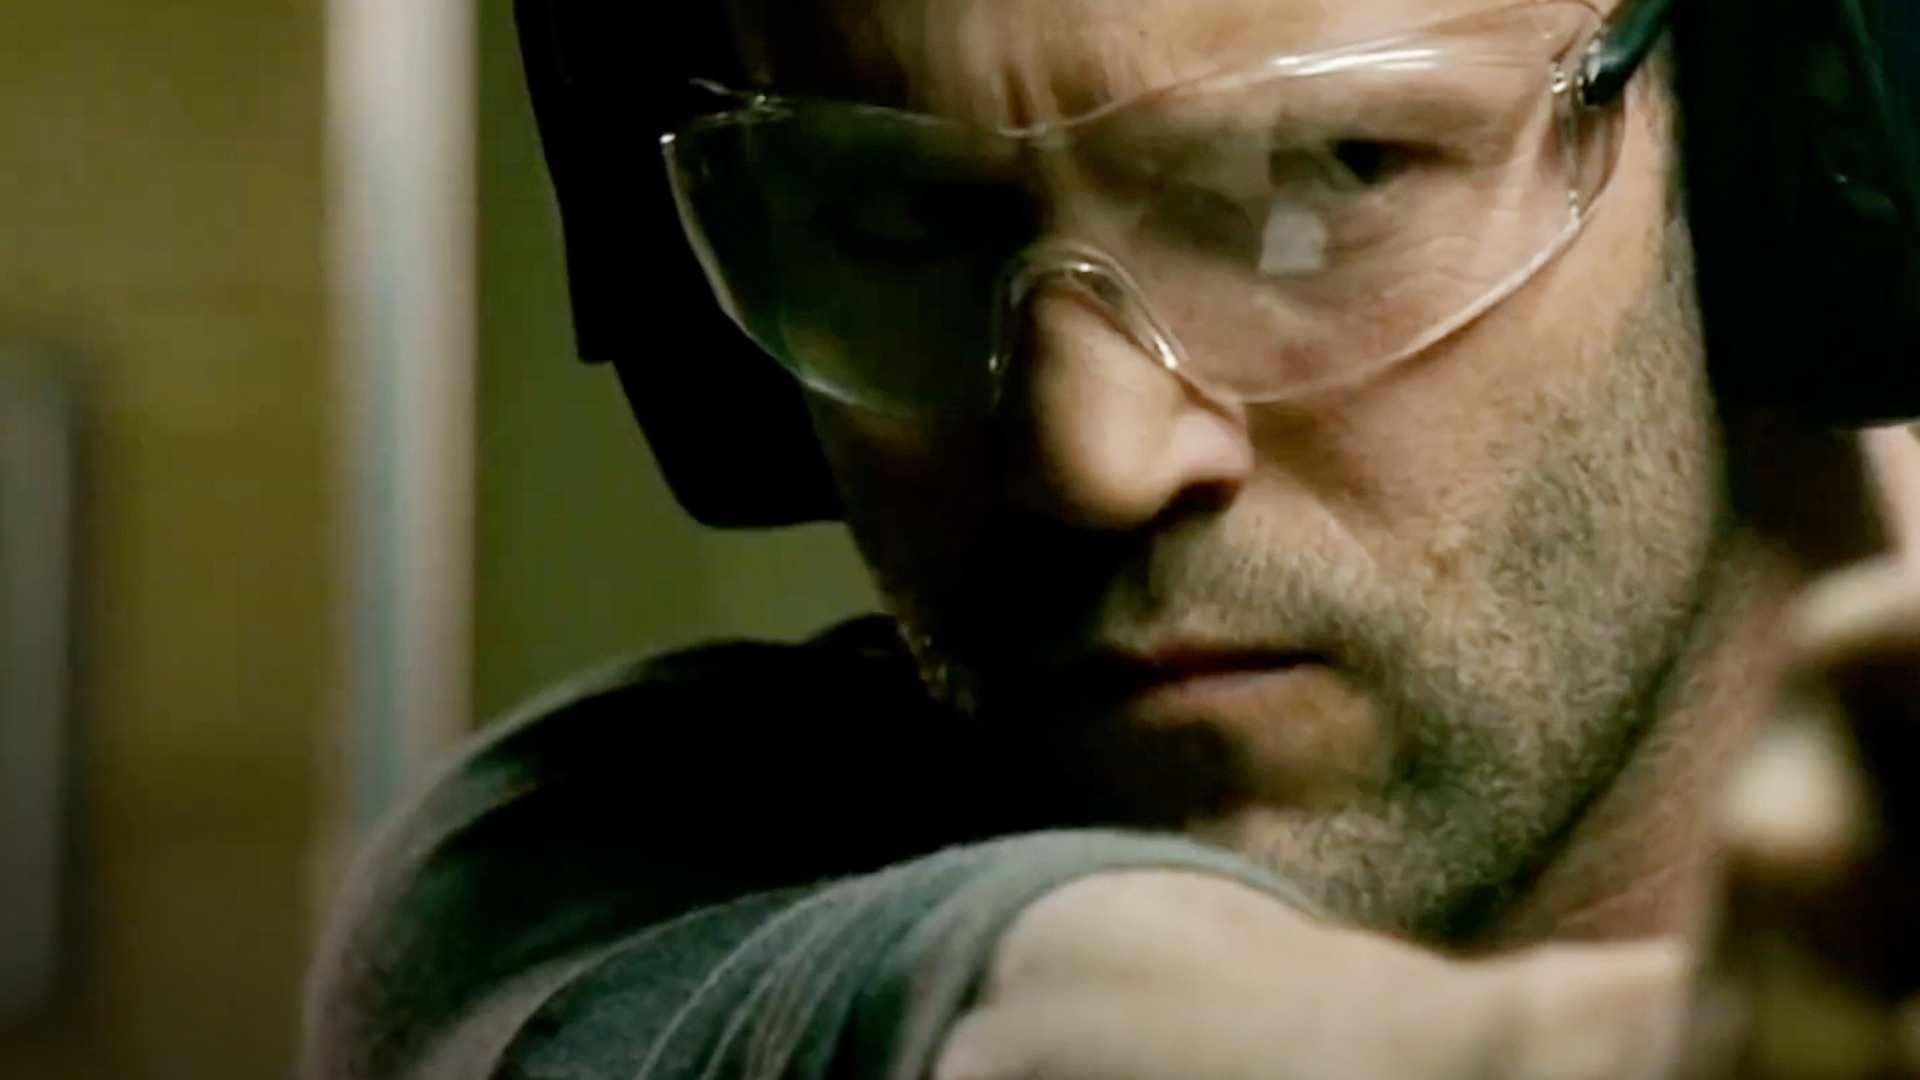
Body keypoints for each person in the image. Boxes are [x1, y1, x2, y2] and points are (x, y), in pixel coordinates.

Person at [302, 0, 1920, 1076]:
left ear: (1779, 153)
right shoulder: (585, 885)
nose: (1094, 457)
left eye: (1324, 178)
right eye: (887, 217)